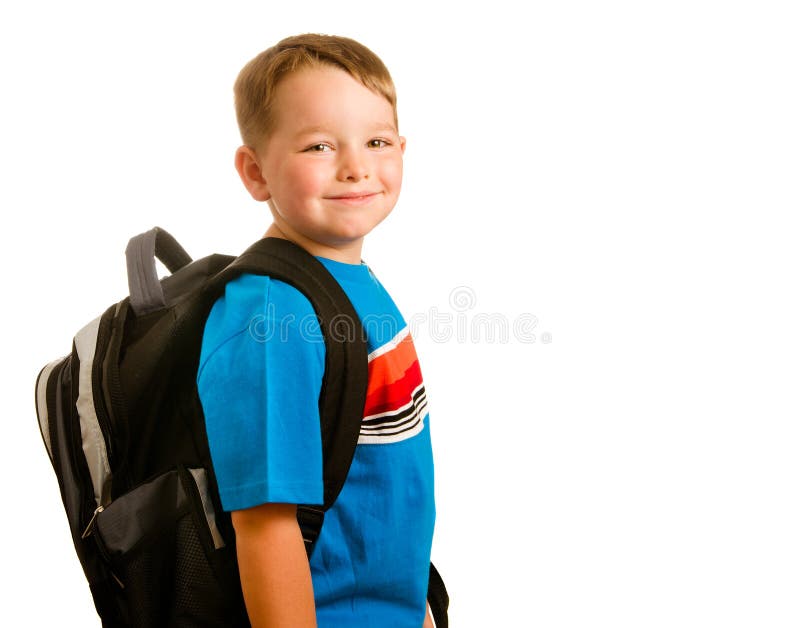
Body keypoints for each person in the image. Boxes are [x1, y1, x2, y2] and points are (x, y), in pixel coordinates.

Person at [196, 34, 437, 627]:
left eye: (377, 141)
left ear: (402, 148)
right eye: (319, 146)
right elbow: (267, 528)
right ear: (256, 172)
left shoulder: (346, 278)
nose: (356, 167)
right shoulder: (272, 320)